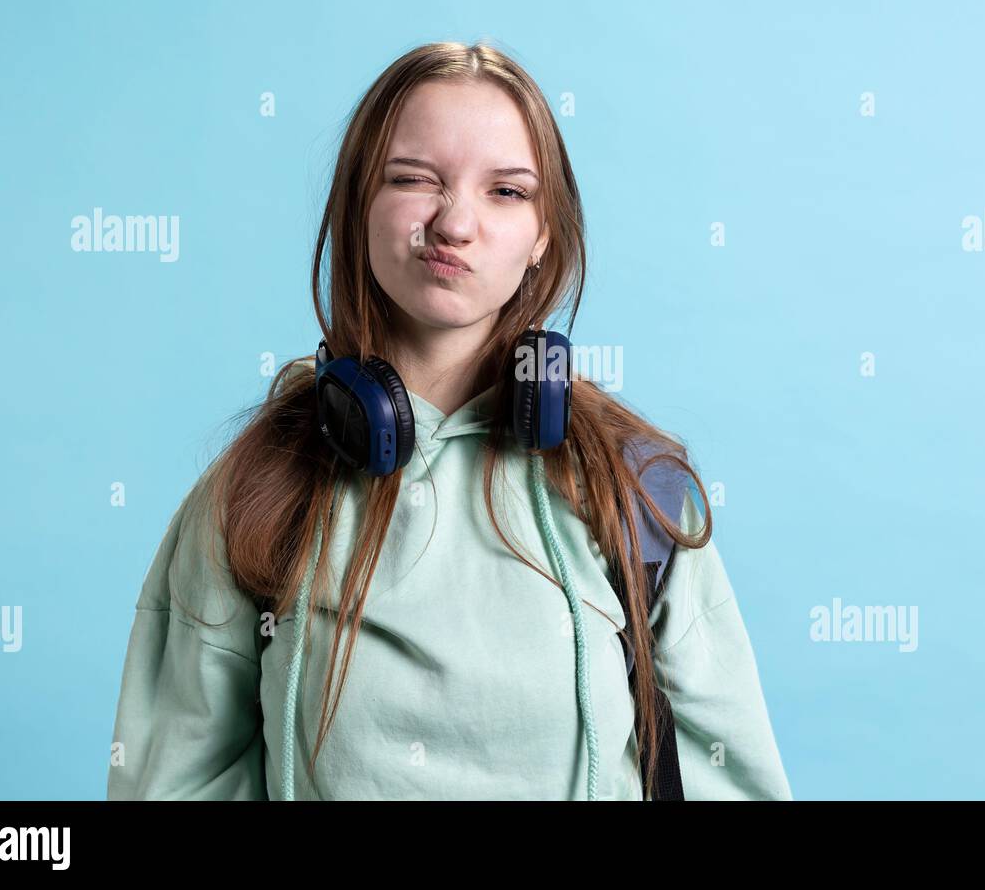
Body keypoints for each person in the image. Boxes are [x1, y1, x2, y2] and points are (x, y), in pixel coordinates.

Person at [106, 41, 792, 801]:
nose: (454, 224)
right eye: (412, 180)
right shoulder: (255, 489)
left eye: (506, 192)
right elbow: (172, 783)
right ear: (357, 208)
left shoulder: (635, 490)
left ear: (544, 237)